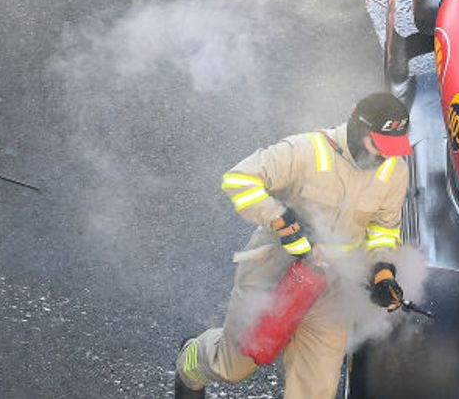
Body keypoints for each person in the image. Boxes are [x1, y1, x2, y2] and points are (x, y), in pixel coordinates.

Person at [175, 92, 412, 399]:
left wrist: (382, 272)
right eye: (378, 146)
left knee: (316, 391)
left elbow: (383, 231)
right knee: (233, 367)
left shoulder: (395, 173)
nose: (383, 157)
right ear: (358, 129)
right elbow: (239, 179)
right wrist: (279, 218)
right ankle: (191, 361)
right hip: (273, 274)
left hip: (331, 290)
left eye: (393, 150)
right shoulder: (306, 151)